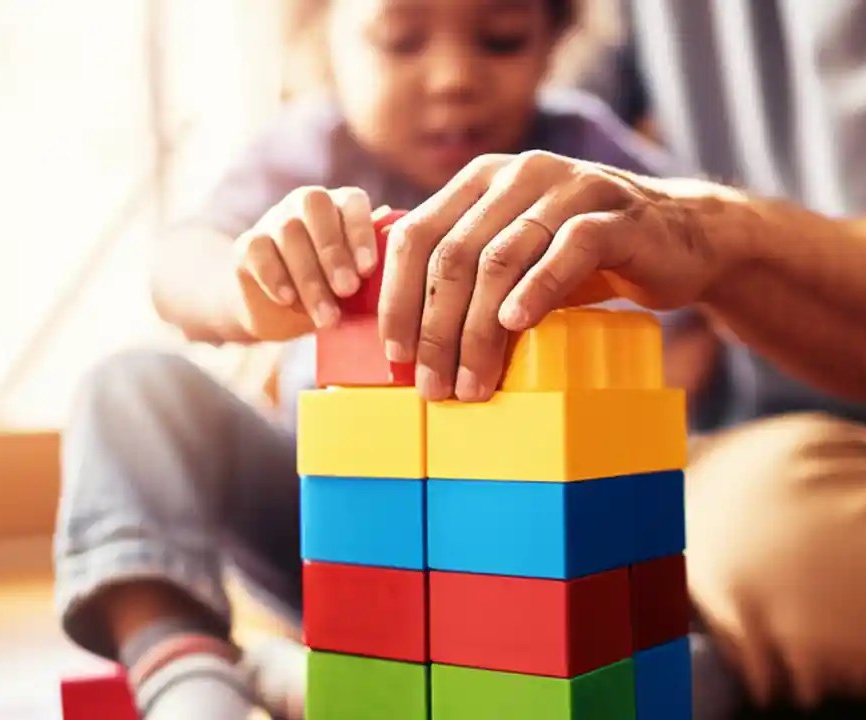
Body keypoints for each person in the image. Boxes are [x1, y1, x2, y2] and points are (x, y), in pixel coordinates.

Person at [357, 0, 866, 715]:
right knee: (770, 543)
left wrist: (716, 236)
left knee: (775, 554)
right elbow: (527, 134)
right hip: (792, 449)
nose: (454, 75)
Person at [53, 1, 687, 719]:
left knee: (692, 630)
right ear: (323, 41)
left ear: (553, 42)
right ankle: (183, 666)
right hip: (340, 531)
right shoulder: (308, 152)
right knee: (131, 390)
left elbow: (697, 277)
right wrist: (245, 285)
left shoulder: (579, 153)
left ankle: (305, 683)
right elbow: (176, 267)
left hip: (541, 550)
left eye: (501, 40)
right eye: (399, 41)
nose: (453, 77)